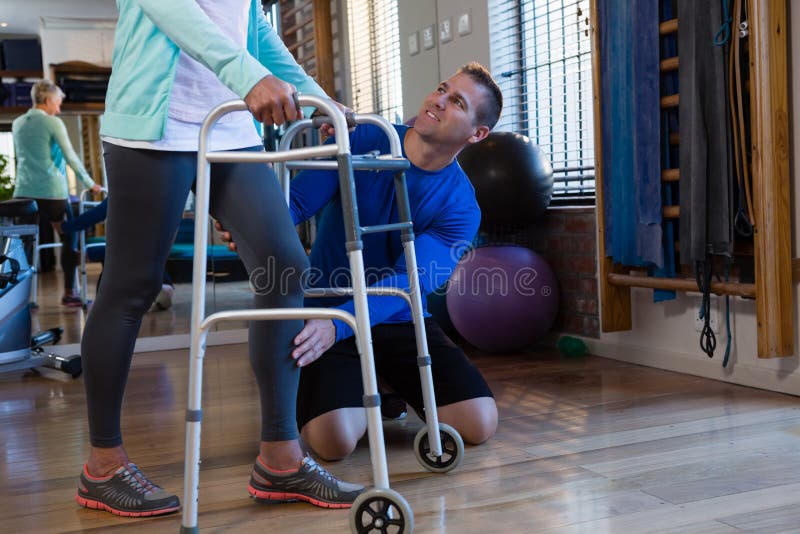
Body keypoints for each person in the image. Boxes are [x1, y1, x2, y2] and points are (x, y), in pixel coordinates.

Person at [76, 0, 361, 518]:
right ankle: (102, 466)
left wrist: (313, 93)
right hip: (155, 123)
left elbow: (250, 25)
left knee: (283, 264)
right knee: (131, 287)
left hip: (230, 122)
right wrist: (248, 75)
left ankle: (279, 455)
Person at [220, 62, 502, 461]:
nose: (438, 100)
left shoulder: (462, 207)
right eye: (442, 89)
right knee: (333, 441)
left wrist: (340, 327)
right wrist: (251, 224)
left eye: (455, 102)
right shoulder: (367, 136)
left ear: (477, 133)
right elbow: (297, 204)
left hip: (396, 318)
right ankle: (355, 389)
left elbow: (409, 283)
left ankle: (384, 383)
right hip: (324, 309)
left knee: (479, 422)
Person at [12, 79, 103, 307]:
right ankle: (70, 293)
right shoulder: (53, 123)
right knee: (69, 236)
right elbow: (71, 156)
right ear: (48, 100)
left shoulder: (18, 123)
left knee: (25, 245)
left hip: (23, 194)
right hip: (51, 193)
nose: (59, 109)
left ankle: (22, 300)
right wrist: (91, 184)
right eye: (58, 103)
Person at [60, 197, 175, 311]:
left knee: (111, 254)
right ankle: (155, 288)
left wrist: (65, 227)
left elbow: (93, 216)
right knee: (164, 288)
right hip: (150, 256)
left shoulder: (120, 193)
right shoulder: (156, 194)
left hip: (123, 256)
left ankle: (111, 297)